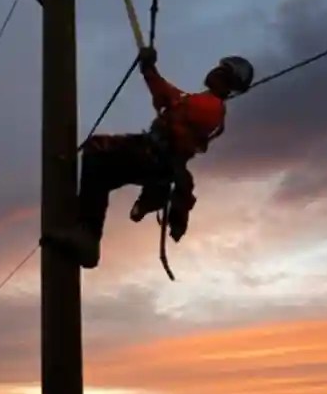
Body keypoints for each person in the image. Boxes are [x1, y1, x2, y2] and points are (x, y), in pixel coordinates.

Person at [67, 47, 254, 269]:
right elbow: (168, 94)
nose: (214, 72)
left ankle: (87, 237)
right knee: (100, 175)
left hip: (153, 157)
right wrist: (149, 69)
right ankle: (86, 236)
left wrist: (150, 70)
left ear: (227, 82)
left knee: (97, 154)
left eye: (221, 72)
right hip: (154, 159)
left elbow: (170, 98)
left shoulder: (211, 108)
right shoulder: (203, 103)